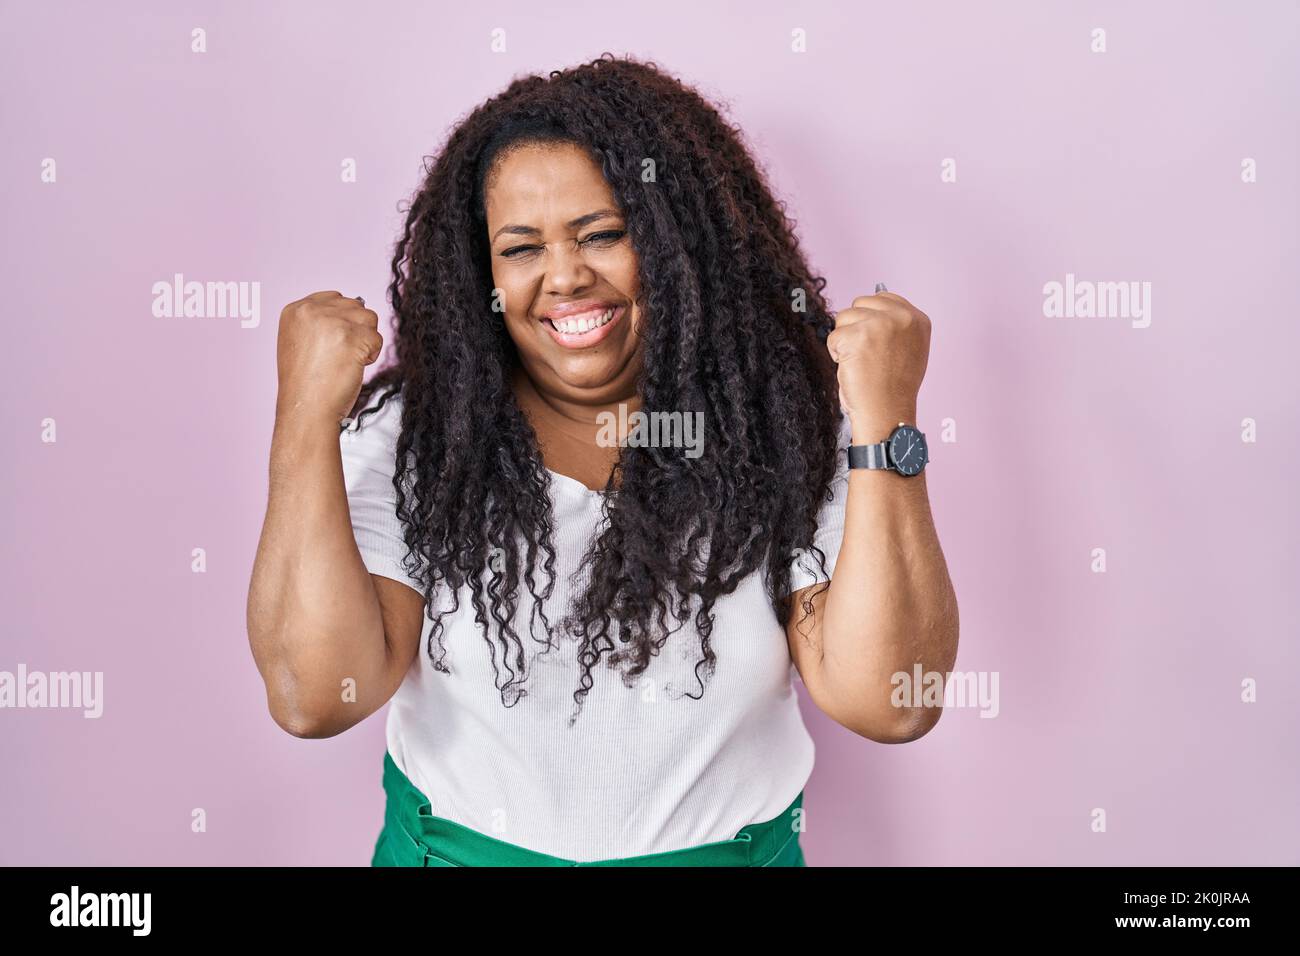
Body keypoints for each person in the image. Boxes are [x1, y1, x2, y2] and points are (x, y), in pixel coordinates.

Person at [246, 53, 959, 867]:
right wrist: (303, 419)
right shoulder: (421, 438)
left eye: (604, 234)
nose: (564, 278)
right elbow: (313, 696)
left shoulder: (783, 427)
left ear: (677, 240)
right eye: (520, 249)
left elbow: (893, 703)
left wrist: (885, 420)